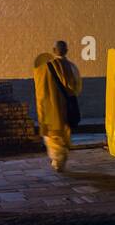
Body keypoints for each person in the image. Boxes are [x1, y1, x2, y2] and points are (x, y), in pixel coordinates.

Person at [33, 40, 82, 172]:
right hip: (63, 109)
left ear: (53, 51)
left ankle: (56, 160)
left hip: (47, 109)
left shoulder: (41, 69)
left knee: (51, 136)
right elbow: (75, 88)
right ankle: (60, 161)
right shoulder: (71, 67)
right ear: (66, 51)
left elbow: (39, 90)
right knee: (61, 136)